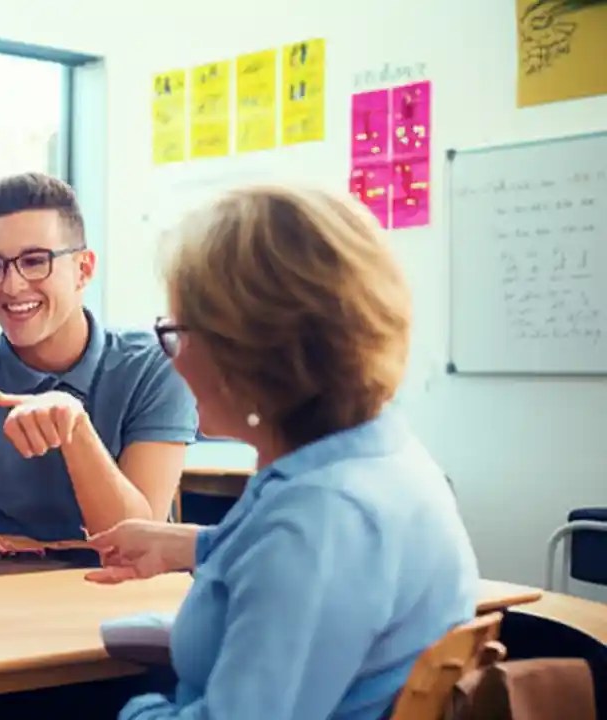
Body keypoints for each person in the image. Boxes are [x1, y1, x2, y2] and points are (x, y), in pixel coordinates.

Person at [87, 185, 480, 719]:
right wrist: (196, 548)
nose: (173, 363)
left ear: (245, 348)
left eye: (176, 333)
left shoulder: (315, 523)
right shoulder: (380, 457)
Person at [0, 172, 198, 553]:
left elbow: (136, 547)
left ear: (84, 269)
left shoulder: (155, 367)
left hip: (115, 601)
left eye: (34, 261)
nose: (11, 286)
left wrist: (74, 427)